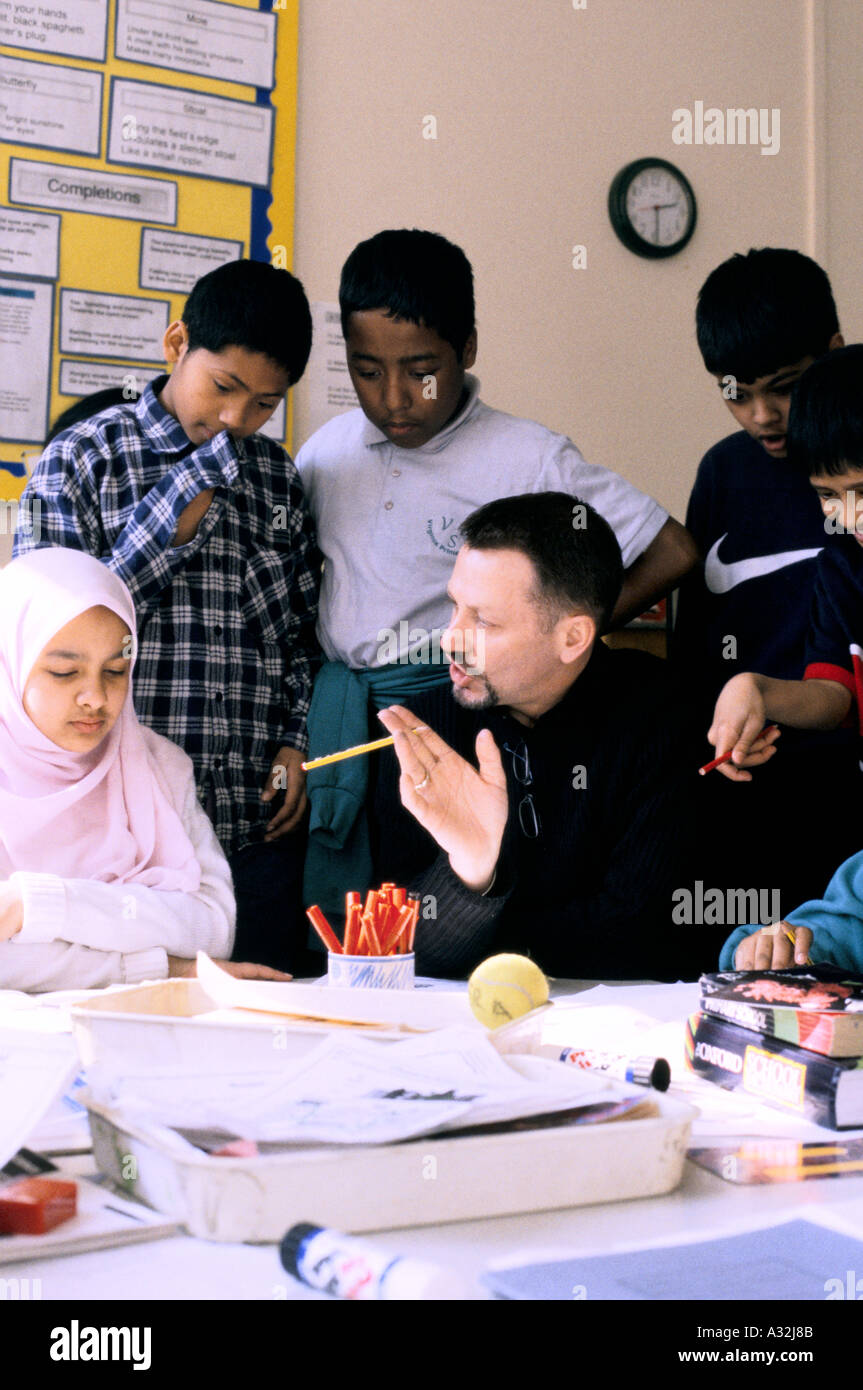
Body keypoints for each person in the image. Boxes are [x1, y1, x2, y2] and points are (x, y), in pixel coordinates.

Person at [296, 229, 696, 918]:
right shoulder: (328, 453)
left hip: (449, 716)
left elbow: (673, 551)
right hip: (336, 721)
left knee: (438, 918)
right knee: (339, 924)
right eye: (366, 370)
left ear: (468, 348)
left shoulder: (526, 457)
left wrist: (560, 640)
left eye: (420, 370)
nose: (394, 398)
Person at [13, 260, 321, 971]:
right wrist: (166, 523)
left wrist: (294, 740)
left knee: (259, 1035)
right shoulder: (82, 460)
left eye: (265, 405)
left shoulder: (277, 480)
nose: (236, 420)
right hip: (119, 845)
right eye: (224, 388)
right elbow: (46, 645)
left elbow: (300, 637)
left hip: (256, 827)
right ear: (176, 344)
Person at [367, 492, 714, 982]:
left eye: (482, 620)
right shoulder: (427, 729)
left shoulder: (665, 719)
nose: (449, 639)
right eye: (455, 607)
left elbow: (642, 930)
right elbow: (399, 942)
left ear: (572, 638)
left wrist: (482, 923)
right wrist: (470, 872)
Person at [0, 549, 289, 992]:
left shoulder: (158, 764)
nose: (95, 697)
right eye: (64, 672)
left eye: (116, 671)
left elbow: (211, 929)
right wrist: (158, 967)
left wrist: (37, 902)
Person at [672, 249, 856, 912]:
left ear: (832, 352)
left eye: (781, 386)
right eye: (735, 392)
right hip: (748, 775)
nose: (760, 415)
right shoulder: (723, 473)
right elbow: (694, 643)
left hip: (842, 779)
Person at [708, 346, 863, 777]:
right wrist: (755, 688)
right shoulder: (843, 569)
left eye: (861, 490)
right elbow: (835, 697)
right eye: (828, 495)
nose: (847, 515)